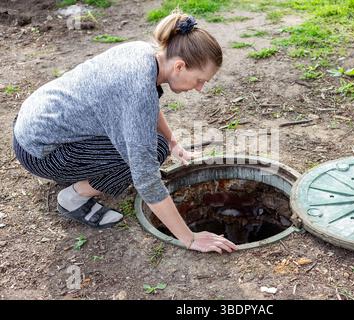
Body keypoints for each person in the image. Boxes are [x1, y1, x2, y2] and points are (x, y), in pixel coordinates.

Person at [12, 10, 237, 254]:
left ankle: (78, 170)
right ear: (180, 66)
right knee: (148, 154)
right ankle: (73, 198)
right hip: (41, 153)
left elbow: (146, 105)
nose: (201, 88)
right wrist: (190, 238)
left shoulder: (143, 53)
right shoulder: (137, 89)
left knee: (157, 145)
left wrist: (173, 142)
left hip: (33, 128)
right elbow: (145, 176)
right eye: (200, 80)